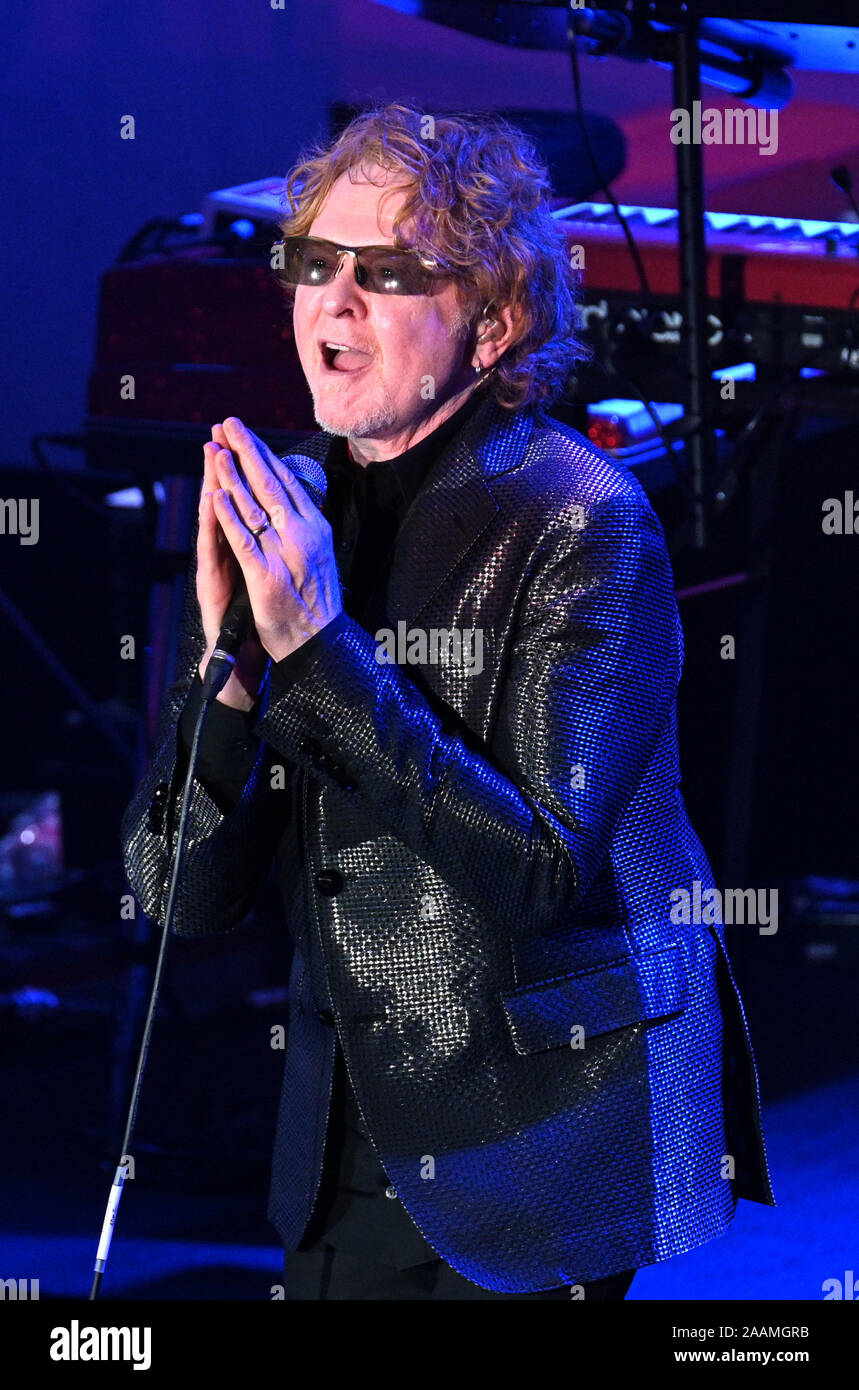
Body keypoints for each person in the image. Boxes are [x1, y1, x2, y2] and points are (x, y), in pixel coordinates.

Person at [120, 102, 775, 1301]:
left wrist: (316, 648)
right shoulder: (286, 508)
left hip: (537, 1130)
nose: (335, 299)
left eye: (388, 272)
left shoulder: (577, 519)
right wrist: (231, 668)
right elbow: (178, 894)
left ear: (496, 321)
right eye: (314, 264)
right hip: (341, 1141)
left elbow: (536, 864)